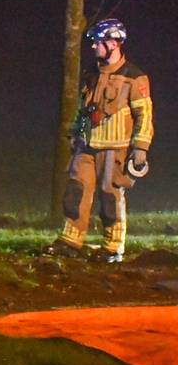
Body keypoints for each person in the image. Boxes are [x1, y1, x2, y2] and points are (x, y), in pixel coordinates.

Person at [45, 19, 154, 263]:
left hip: (115, 149)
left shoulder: (134, 77)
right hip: (87, 146)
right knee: (75, 191)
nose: (94, 47)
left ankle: (112, 247)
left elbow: (144, 115)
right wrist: (76, 133)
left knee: (110, 196)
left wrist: (140, 148)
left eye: (98, 42)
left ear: (113, 43)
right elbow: (84, 109)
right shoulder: (91, 74)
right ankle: (70, 240)